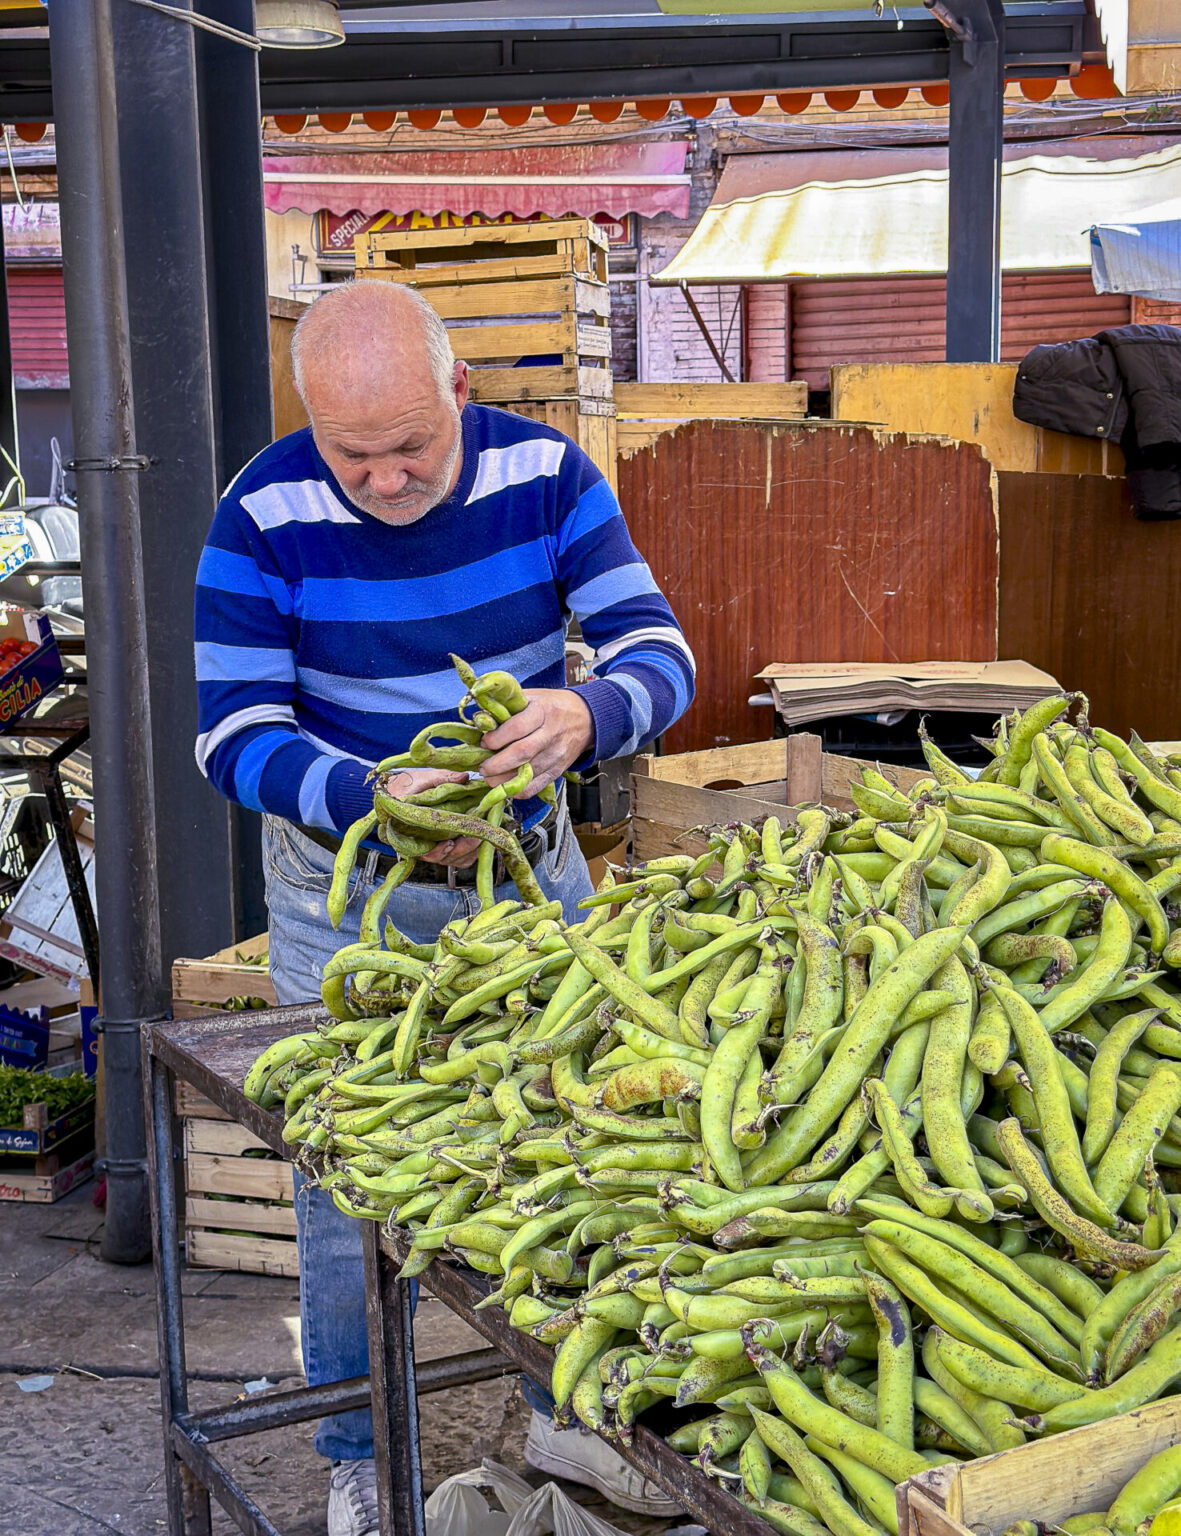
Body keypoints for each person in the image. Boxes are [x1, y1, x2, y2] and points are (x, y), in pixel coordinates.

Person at [194, 280, 696, 1536]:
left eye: (409, 446)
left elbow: (658, 650)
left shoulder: (548, 476)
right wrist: (370, 786)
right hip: (344, 895)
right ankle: (360, 1452)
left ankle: (567, 1420)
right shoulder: (261, 510)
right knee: (343, 1186)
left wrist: (584, 713)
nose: (382, 479)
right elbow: (231, 736)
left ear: (458, 392)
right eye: (350, 454)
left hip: (524, 881)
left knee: (570, 1149)